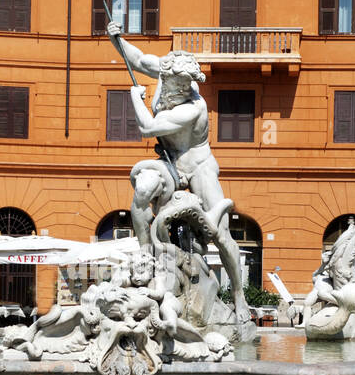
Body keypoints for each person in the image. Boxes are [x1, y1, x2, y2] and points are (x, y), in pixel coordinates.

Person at [107, 21, 251, 328]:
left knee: (221, 235)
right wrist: (115, 38)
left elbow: (147, 128)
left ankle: (238, 294)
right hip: (170, 165)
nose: (181, 92)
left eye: (186, 88)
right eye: (177, 87)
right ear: (166, 77)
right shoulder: (162, 71)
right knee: (142, 190)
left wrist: (135, 97)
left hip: (198, 168)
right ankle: (146, 259)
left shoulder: (192, 108)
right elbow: (136, 58)